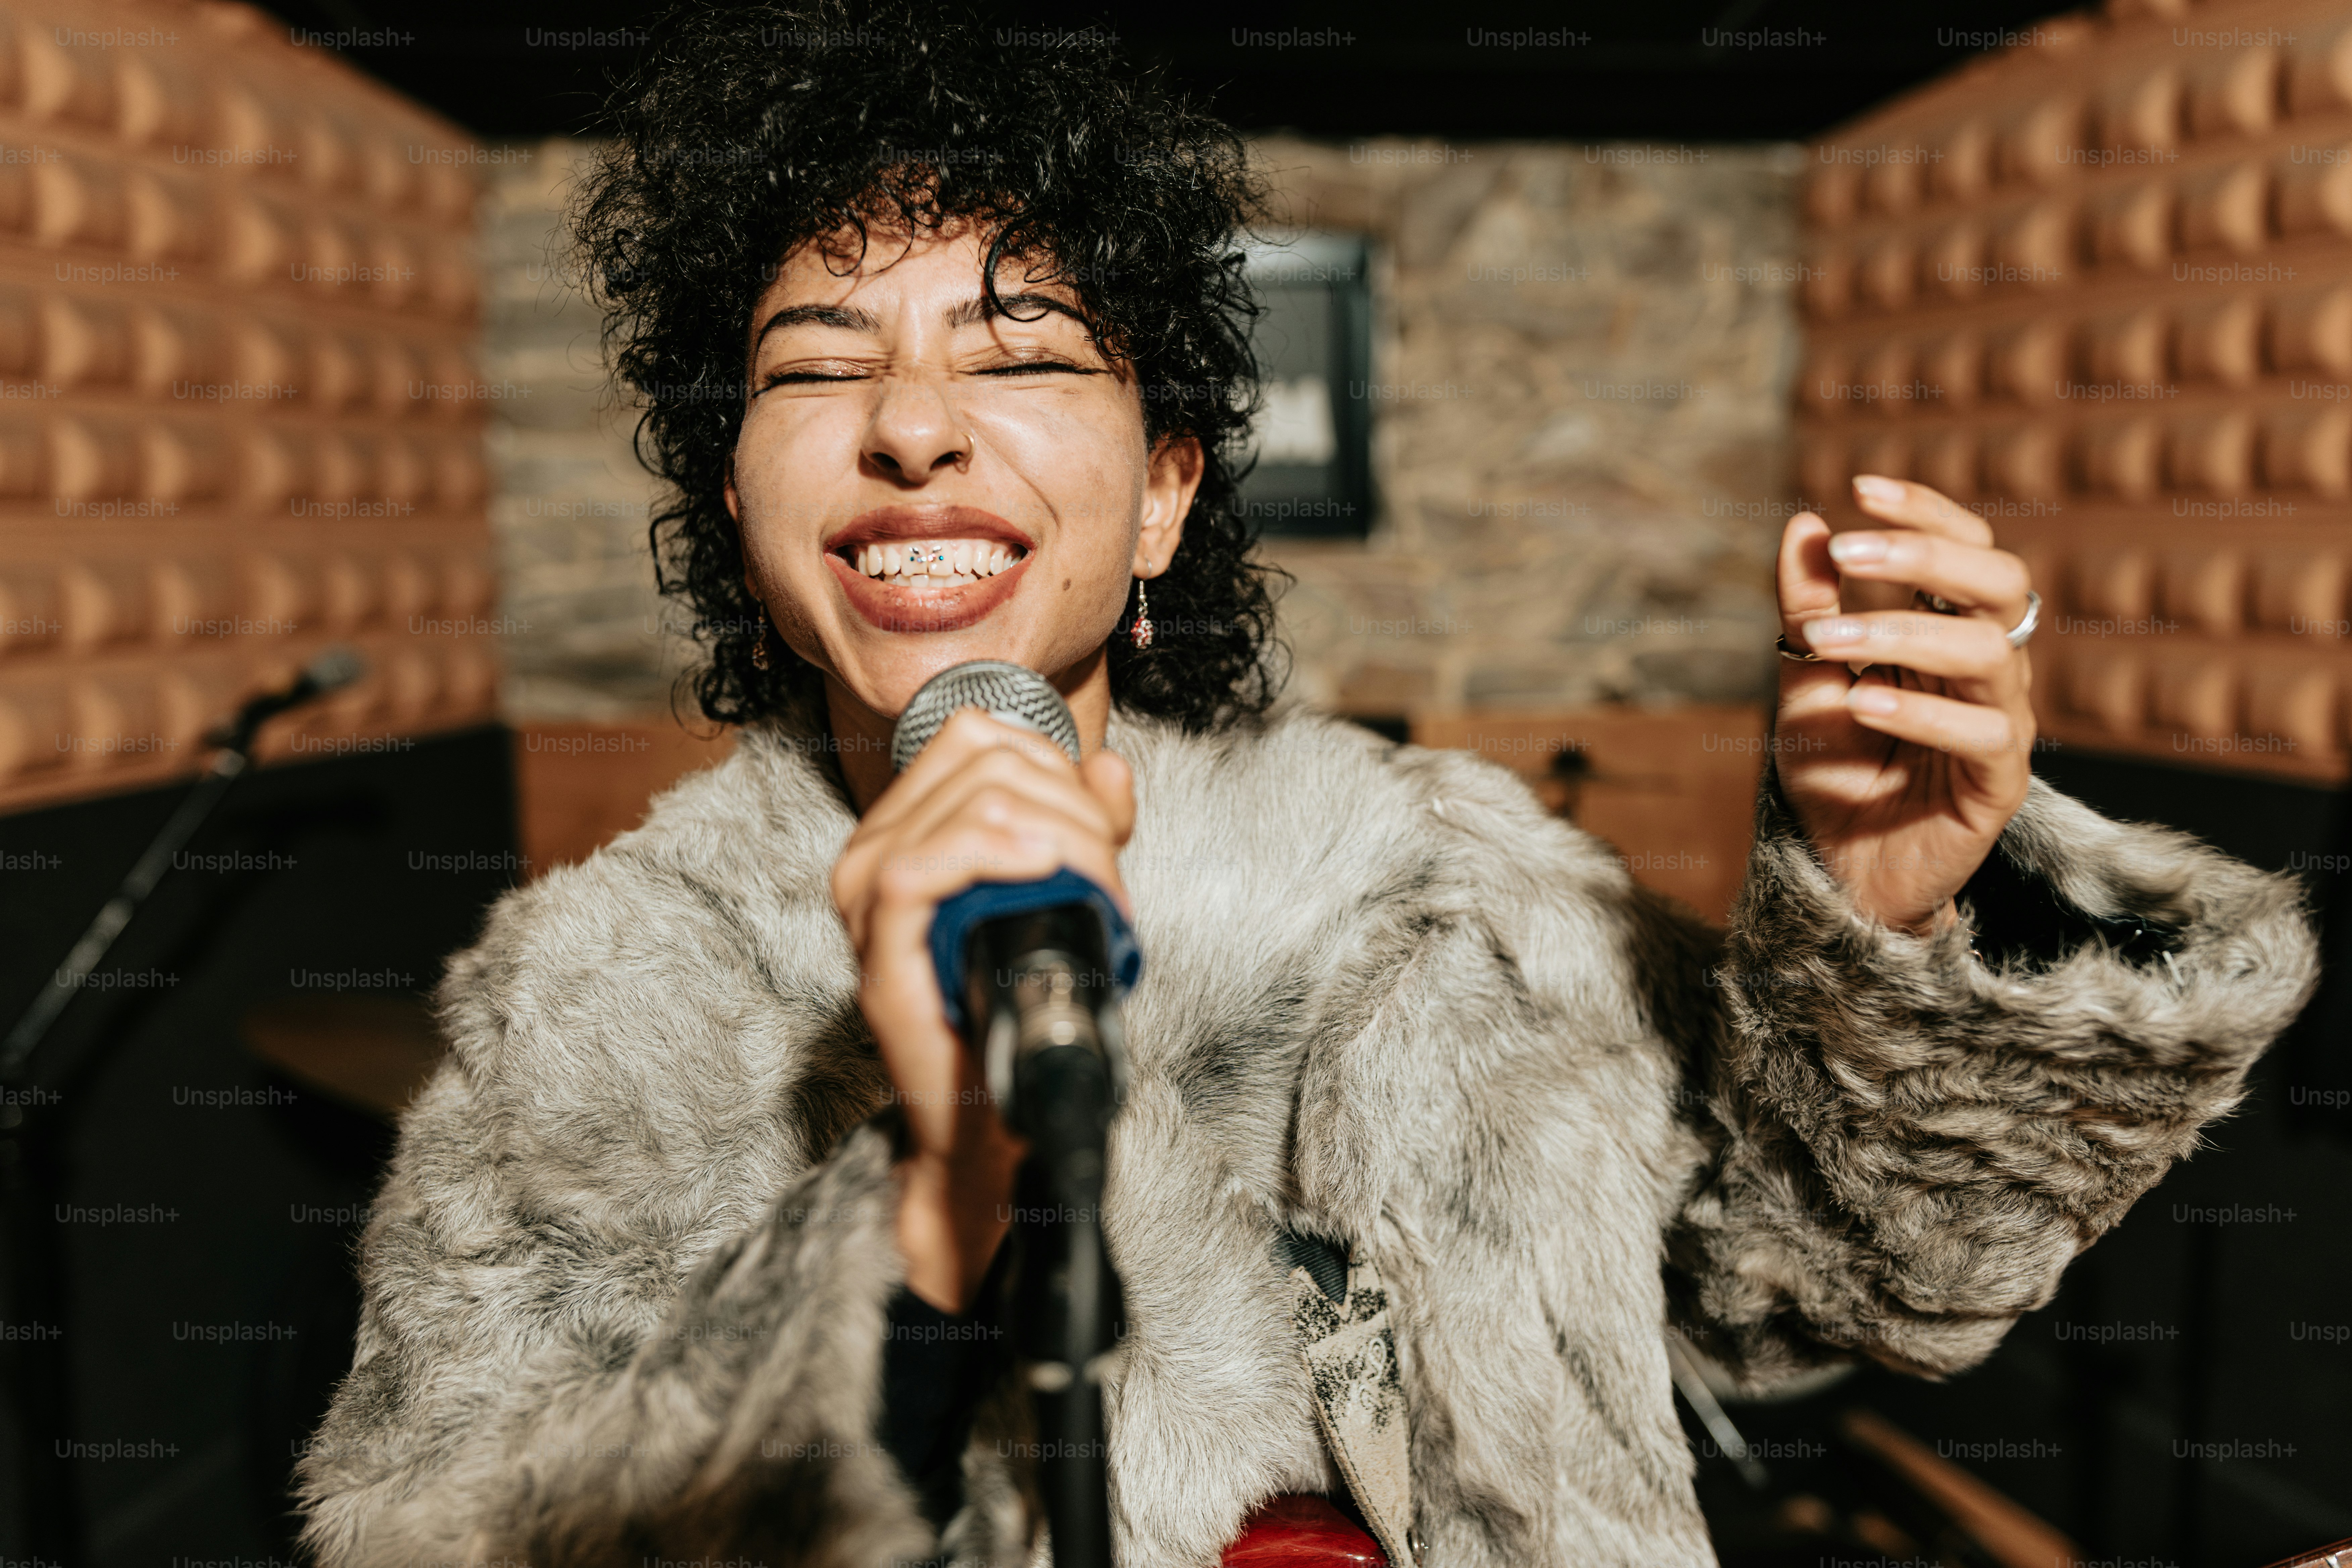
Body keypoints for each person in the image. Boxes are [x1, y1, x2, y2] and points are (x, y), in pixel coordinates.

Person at [294, 6, 2318, 1564]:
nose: (912, 425)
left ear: (1167, 488)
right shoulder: (590, 1011)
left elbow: (1812, 1307)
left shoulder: (1435, 880)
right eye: (817, 369)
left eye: (1018, 356)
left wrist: (1879, 915)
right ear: (741, 501)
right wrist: (930, 1207)